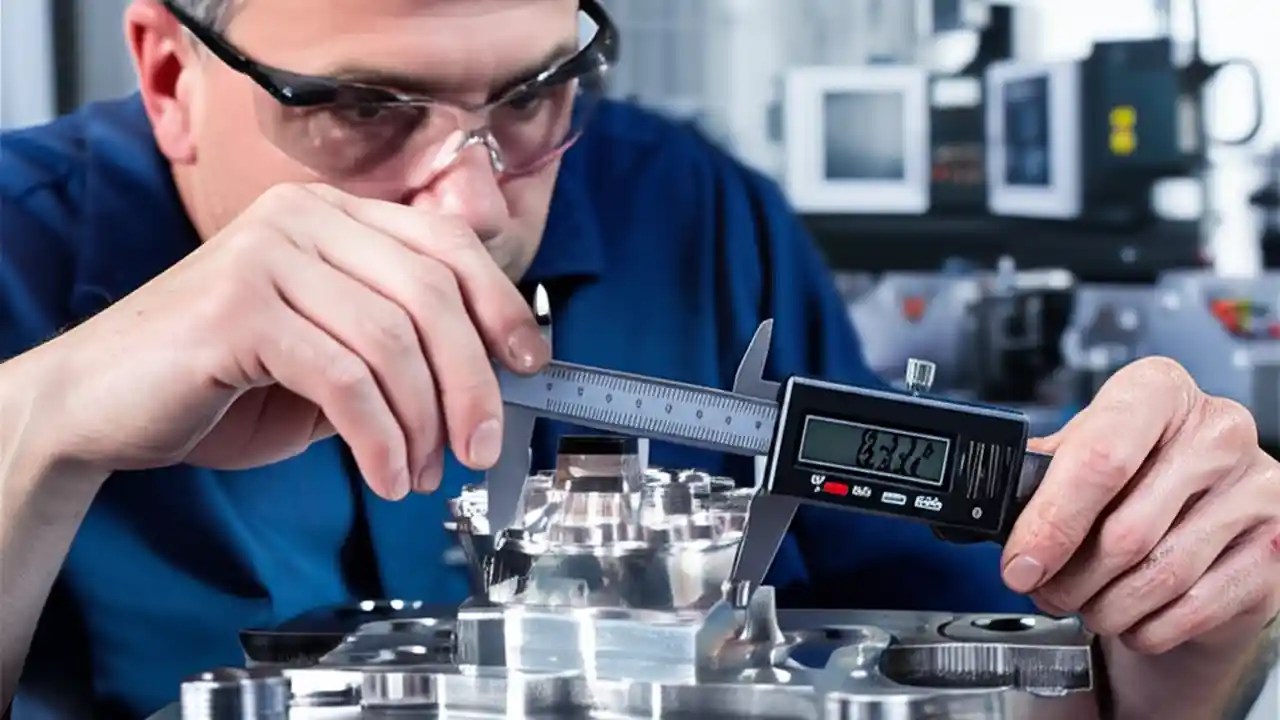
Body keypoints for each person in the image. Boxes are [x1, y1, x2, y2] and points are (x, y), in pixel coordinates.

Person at [0, 0, 1275, 717]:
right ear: (170, 76)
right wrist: (36, 428)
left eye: (532, 95)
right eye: (360, 110)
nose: (469, 208)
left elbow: (1002, 653)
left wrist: (1176, 643)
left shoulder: (702, 214)